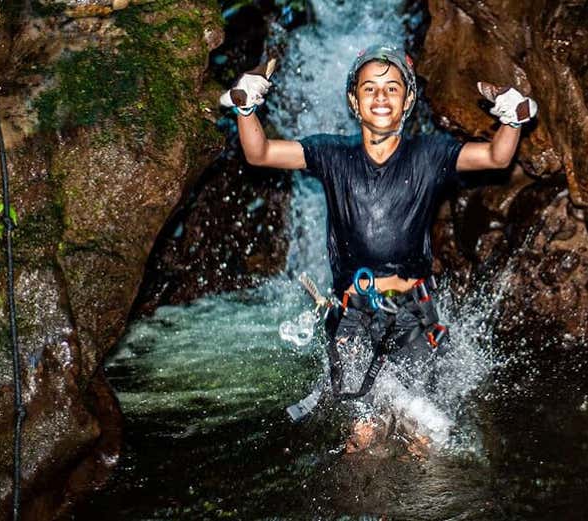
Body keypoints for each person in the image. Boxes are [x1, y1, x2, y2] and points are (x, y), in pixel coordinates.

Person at [221, 44, 537, 431]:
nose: (381, 97)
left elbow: (496, 158)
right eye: (370, 88)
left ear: (407, 101)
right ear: (354, 100)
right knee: (362, 434)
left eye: (392, 88)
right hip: (352, 317)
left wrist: (514, 119)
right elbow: (260, 153)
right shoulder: (330, 153)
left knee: (422, 432)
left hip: (413, 315)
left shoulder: (430, 153)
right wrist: (247, 108)